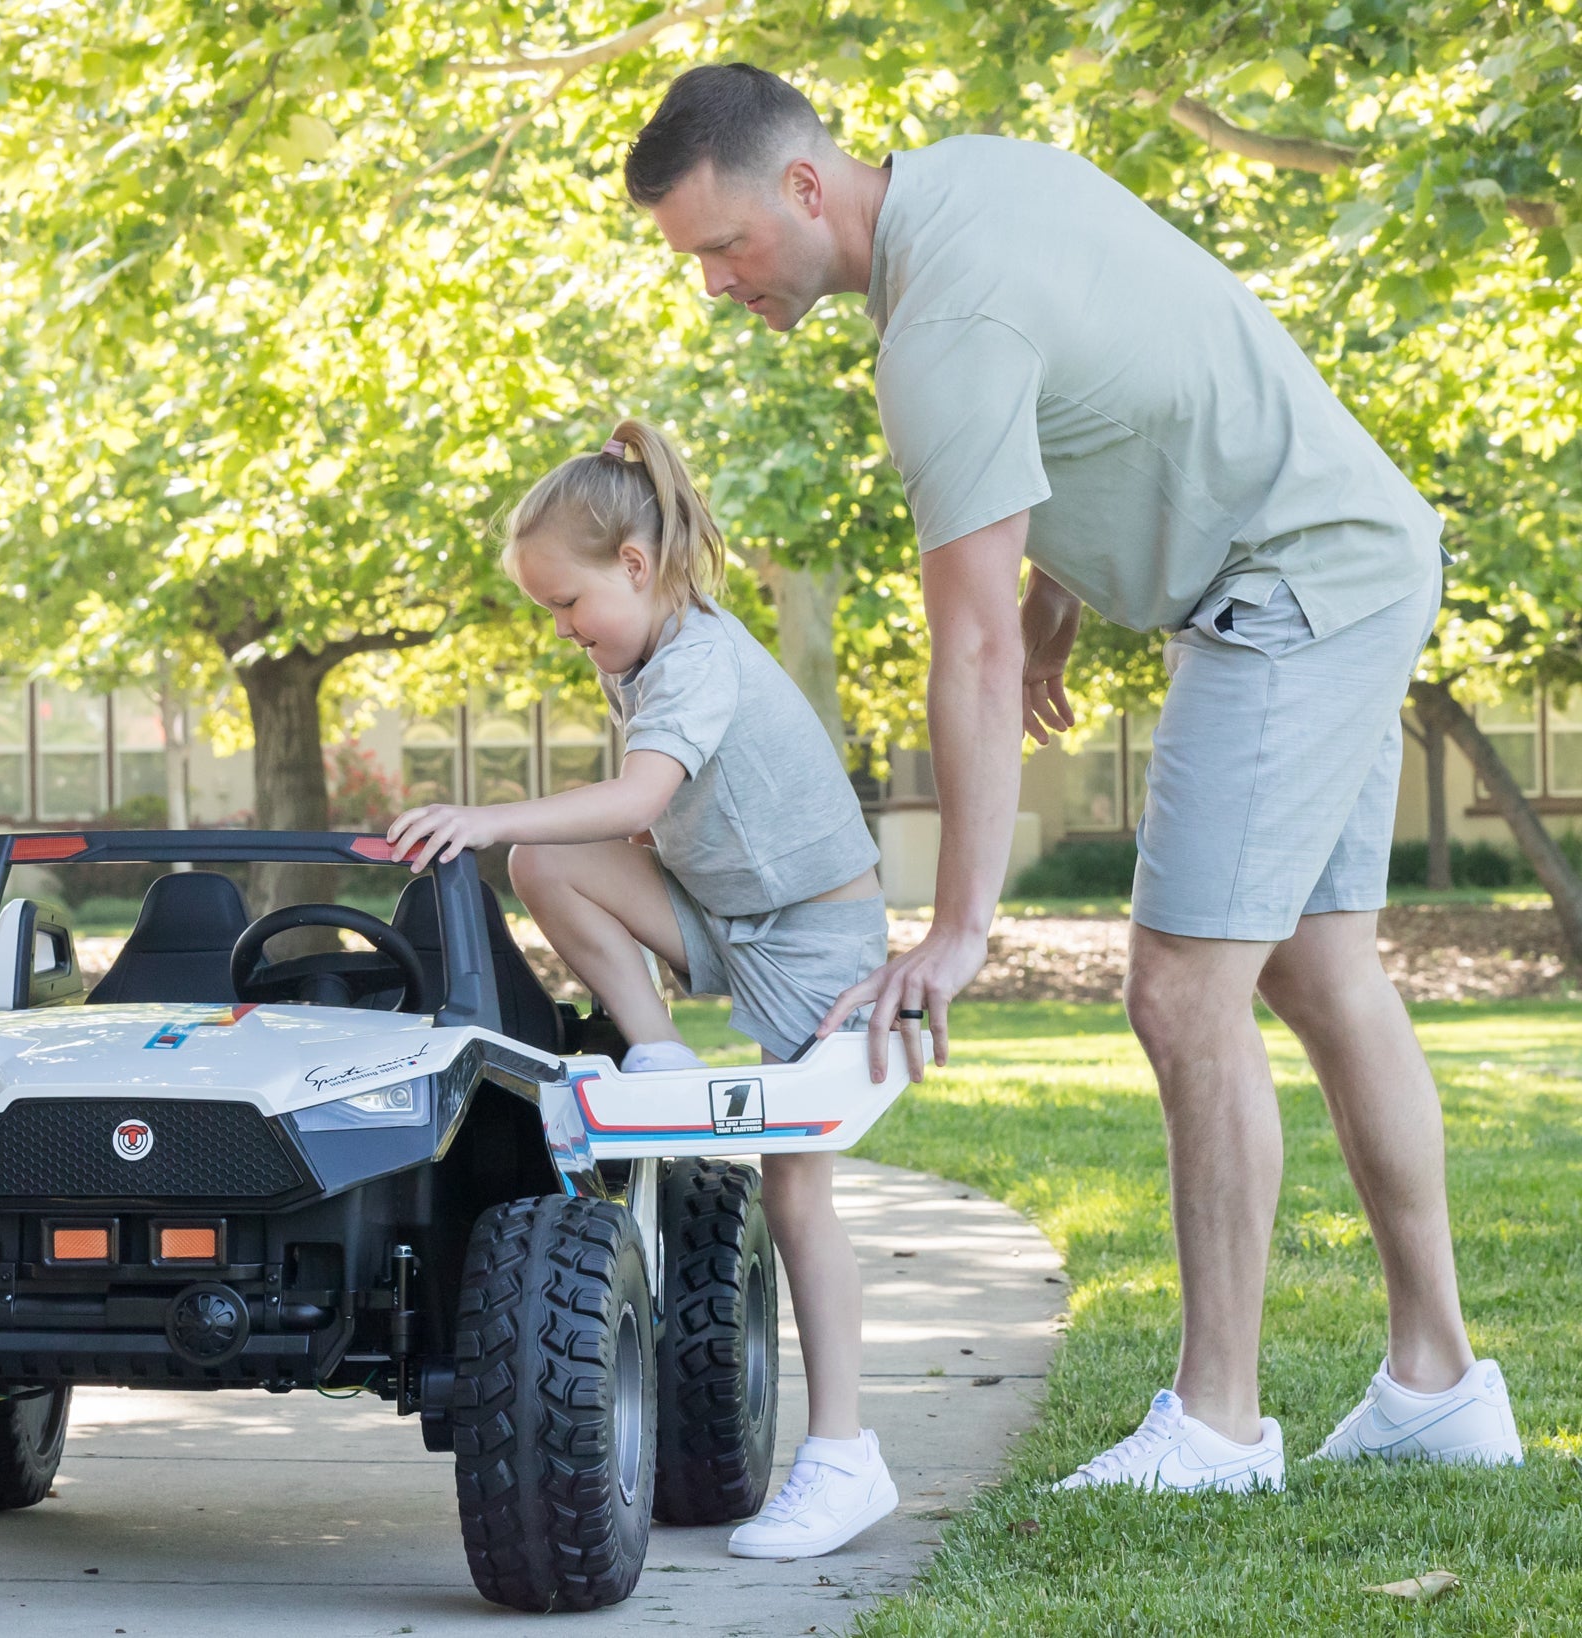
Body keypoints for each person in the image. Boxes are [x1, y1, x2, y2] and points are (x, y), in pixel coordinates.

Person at [619, 64, 1523, 1493]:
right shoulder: (971, 183)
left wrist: (962, 927)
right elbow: (1129, 381)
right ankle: (1441, 1383)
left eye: (725, 248)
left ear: (804, 187)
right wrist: (1063, 590)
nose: (720, 286)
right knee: (1321, 968)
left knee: (1179, 990)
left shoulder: (939, 329)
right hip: (1349, 548)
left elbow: (964, 650)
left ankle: (1220, 1424)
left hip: (1284, 588)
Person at [386, 417, 902, 1556]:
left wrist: (481, 815)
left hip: (814, 943)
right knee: (541, 864)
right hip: (727, 917)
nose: (562, 632)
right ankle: (653, 1048)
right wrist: (514, 837)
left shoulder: (697, 661)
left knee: (795, 1198)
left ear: (633, 565)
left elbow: (633, 801)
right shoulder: (646, 653)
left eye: (566, 605)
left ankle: (844, 1456)